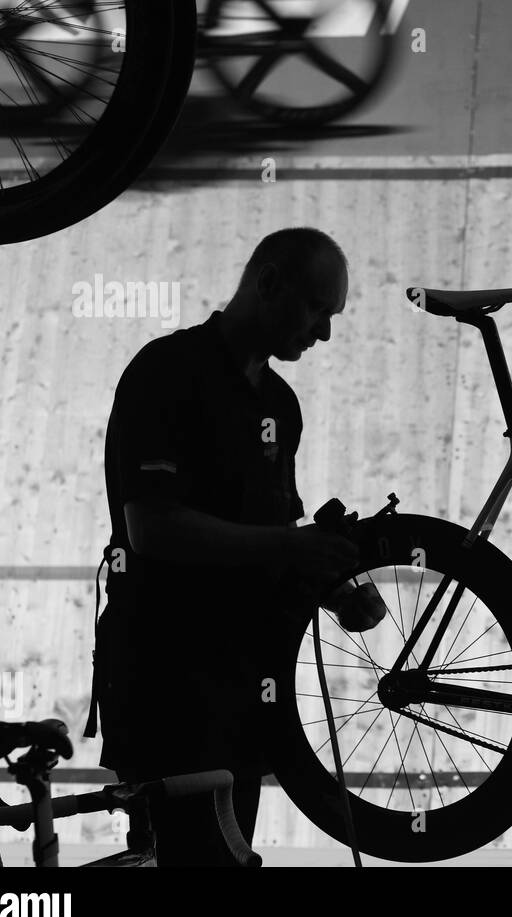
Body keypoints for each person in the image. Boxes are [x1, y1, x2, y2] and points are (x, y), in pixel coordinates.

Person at [84, 227, 384, 865]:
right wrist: (291, 548)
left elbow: (272, 541)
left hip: (242, 682)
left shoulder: (281, 403)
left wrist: (330, 581)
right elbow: (153, 528)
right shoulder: (165, 372)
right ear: (267, 282)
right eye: (315, 310)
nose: (323, 334)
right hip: (166, 680)